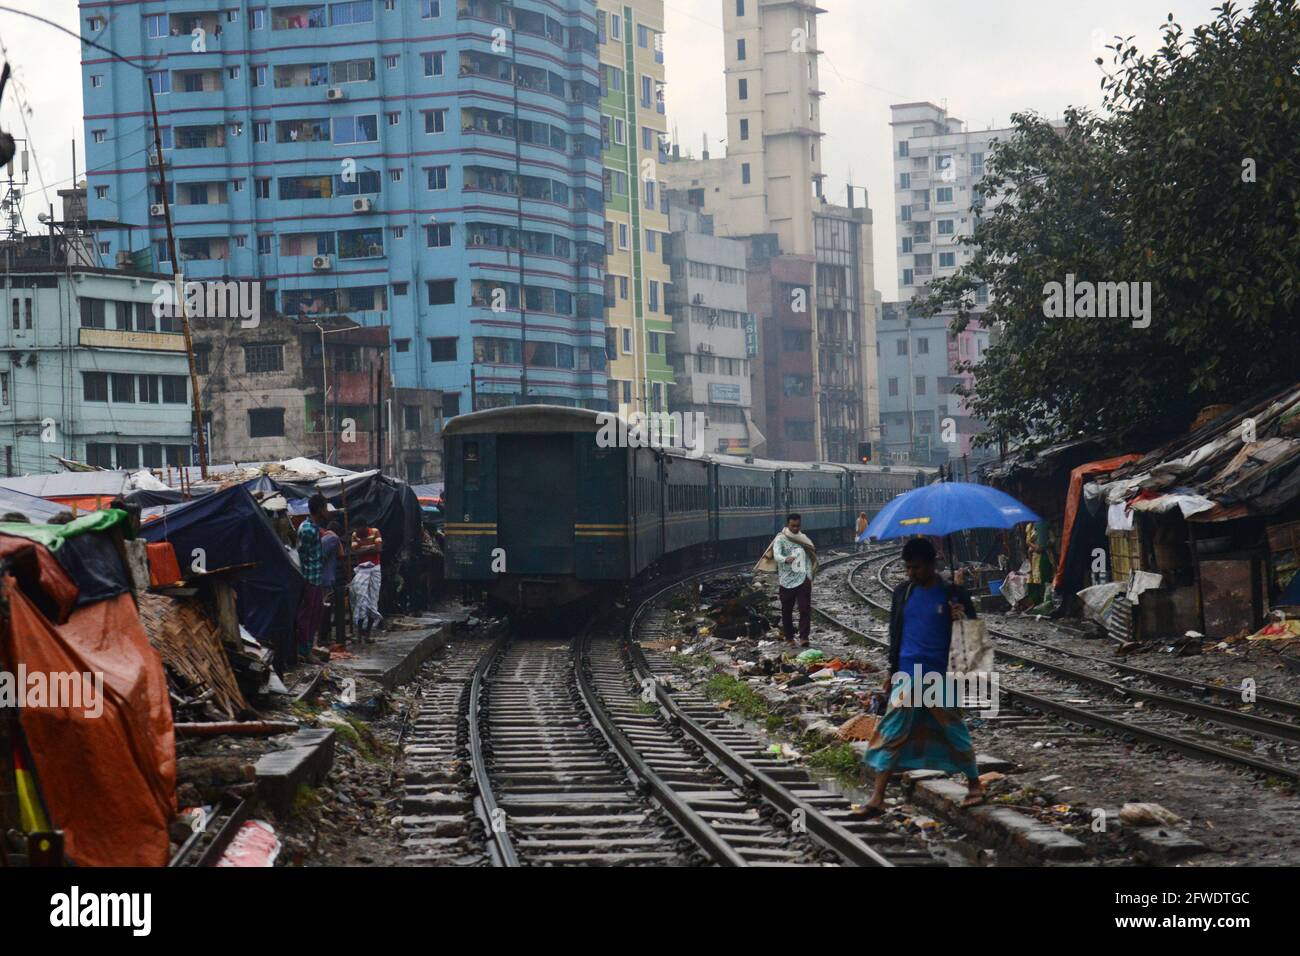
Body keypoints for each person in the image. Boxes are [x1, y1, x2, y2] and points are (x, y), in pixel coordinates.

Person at [860, 537, 984, 816]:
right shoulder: (903, 593)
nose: (910, 573)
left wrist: (960, 617)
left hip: (939, 675)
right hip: (907, 672)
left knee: (953, 730)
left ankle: (975, 785)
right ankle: (877, 796)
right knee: (892, 731)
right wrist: (891, 671)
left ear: (931, 565)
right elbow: (895, 633)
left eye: (916, 567)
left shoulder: (953, 594)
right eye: (908, 568)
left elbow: (973, 638)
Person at [756, 514, 818, 647]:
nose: (795, 528)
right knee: (786, 610)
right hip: (786, 580)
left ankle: (804, 637)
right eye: (793, 526)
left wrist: (809, 576)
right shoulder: (780, 539)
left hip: (803, 579)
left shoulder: (803, 539)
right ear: (788, 525)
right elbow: (777, 555)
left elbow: (808, 558)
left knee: (804, 609)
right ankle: (789, 637)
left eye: (798, 526)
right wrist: (785, 559)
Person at [294, 494, 329, 661]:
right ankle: (304, 650)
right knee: (307, 616)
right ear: (320, 509)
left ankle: (308, 648)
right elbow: (301, 556)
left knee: (315, 615)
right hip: (309, 579)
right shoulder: (307, 529)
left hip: (316, 577)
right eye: (326, 507)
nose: (327, 511)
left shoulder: (313, 528)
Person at [320, 519, 346, 647]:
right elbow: (342, 554)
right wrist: (337, 538)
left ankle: (325, 638)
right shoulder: (332, 539)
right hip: (326, 580)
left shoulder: (325, 538)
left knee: (326, 609)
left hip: (324, 579)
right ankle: (323, 639)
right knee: (325, 610)